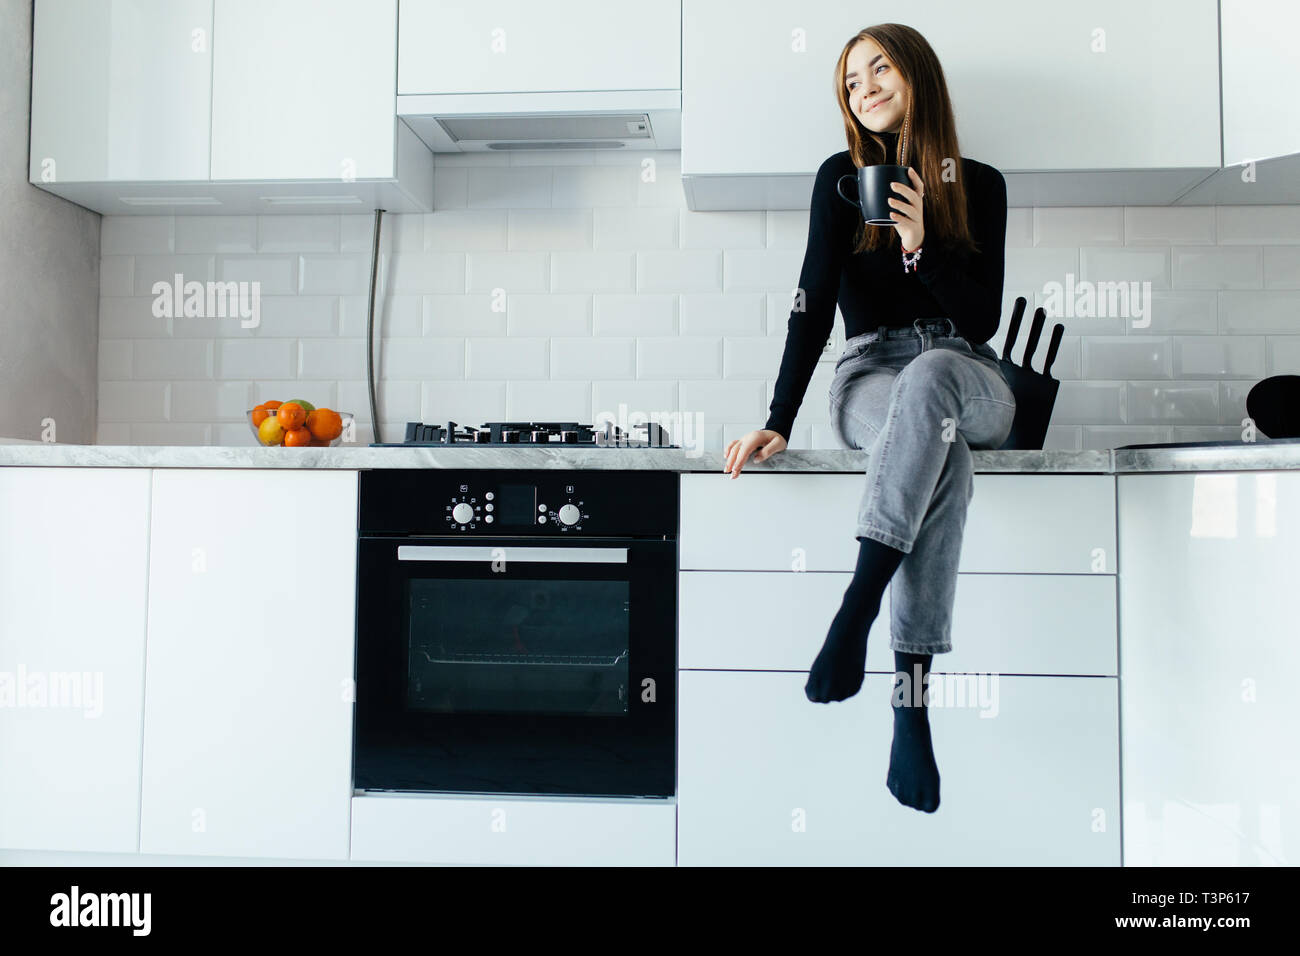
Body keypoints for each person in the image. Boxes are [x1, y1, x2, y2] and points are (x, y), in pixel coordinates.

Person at [720, 24, 1016, 814]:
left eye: (878, 68)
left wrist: (921, 246)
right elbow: (812, 302)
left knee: (938, 378)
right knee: (935, 445)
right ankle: (911, 697)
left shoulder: (978, 183)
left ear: (916, 73)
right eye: (850, 82)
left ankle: (856, 608)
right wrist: (778, 415)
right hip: (872, 377)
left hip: (967, 370)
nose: (865, 88)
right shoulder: (839, 181)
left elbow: (982, 320)